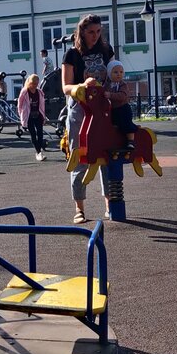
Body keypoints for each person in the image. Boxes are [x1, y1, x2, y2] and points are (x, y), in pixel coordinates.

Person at [61, 14, 114, 223]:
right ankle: (79, 208)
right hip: (79, 110)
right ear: (82, 32)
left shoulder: (106, 50)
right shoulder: (72, 54)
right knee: (80, 157)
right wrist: (82, 86)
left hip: (103, 108)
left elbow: (113, 74)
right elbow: (65, 87)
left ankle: (110, 204)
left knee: (106, 157)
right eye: (91, 32)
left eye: (99, 31)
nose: (95, 36)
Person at [103, 60, 136, 150]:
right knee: (114, 125)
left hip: (123, 108)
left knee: (126, 124)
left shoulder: (122, 84)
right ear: (109, 73)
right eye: (115, 72)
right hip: (112, 109)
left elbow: (123, 96)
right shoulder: (107, 85)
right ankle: (115, 140)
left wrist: (110, 95)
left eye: (121, 72)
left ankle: (131, 141)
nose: (119, 74)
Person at [17, 73, 47, 161]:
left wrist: (43, 116)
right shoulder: (25, 92)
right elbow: (20, 104)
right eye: (33, 84)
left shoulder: (40, 92)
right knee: (33, 134)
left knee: (40, 133)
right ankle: (38, 152)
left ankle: (39, 151)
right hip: (29, 115)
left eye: (36, 84)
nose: (34, 86)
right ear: (29, 82)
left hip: (38, 114)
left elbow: (42, 105)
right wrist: (21, 116)